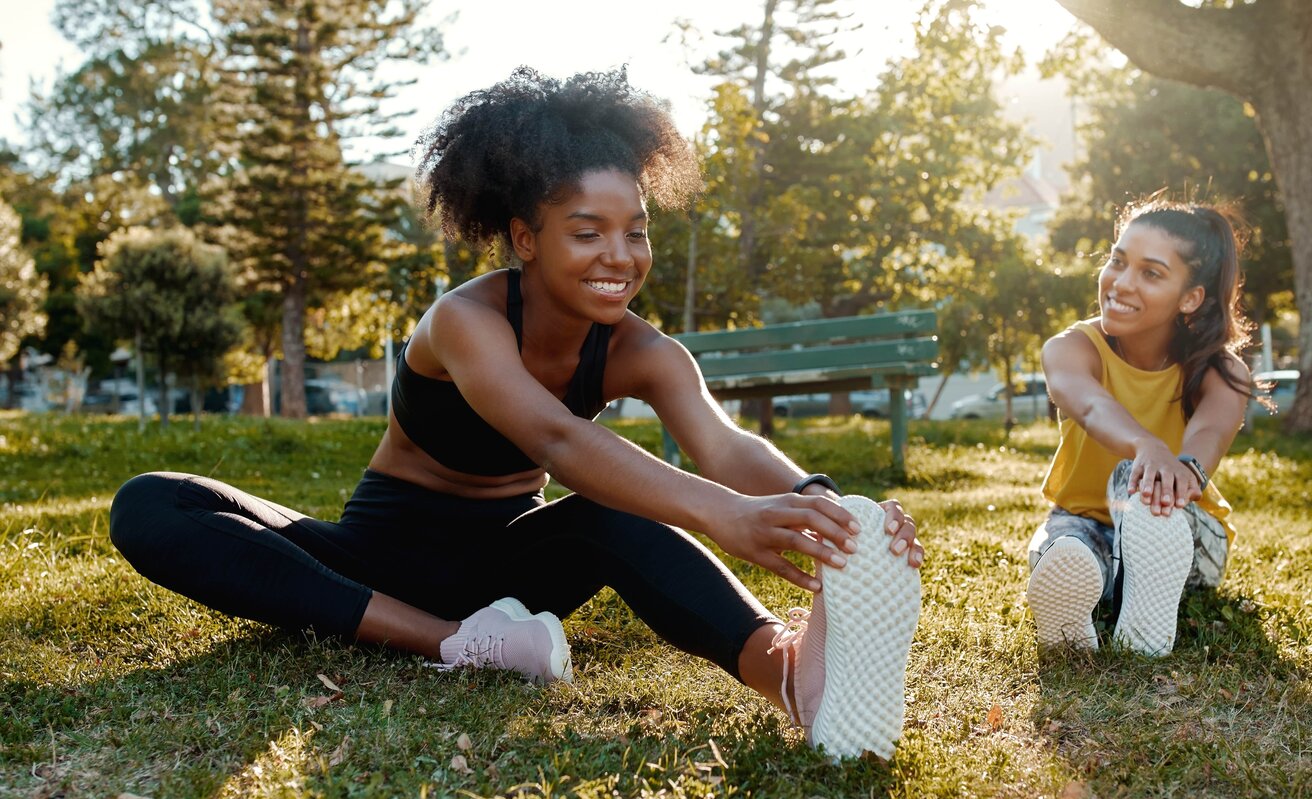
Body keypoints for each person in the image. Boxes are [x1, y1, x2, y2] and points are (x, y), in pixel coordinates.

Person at [108, 67, 923, 757]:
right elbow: (557, 439)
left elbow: (724, 443)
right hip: (373, 562)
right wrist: (725, 514)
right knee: (152, 503)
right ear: (525, 238)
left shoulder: (644, 351)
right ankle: (458, 645)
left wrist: (829, 510)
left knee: (616, 514)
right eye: (587, 232)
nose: (619, 256)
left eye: (636, 232)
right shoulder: (465, 321)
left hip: (512, 575)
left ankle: (791, 673)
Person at [1026, 198, 1261, 657]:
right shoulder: (1071, 348)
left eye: (1151, 273)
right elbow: (1090, 405)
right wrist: (1145, 444)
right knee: (1063, 548)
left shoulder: (1221, 371)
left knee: (1135, 480)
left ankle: (1140, 589)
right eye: (1118, 262)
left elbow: (1210, 434)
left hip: (1179, 525)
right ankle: (1091, 593)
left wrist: (1181, 469)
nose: (1121, 282)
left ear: (1190, 298)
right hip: (1086, 519)